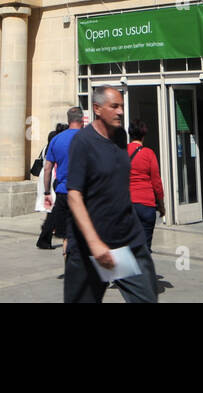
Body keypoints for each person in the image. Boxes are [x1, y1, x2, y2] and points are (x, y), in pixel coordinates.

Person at [64, 86, 157, 304]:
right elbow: (74, 195)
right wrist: (95, 243)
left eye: (122, 106)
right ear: (97, 108)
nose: (120, 112)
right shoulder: (83, 142)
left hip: (127, 243)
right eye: (114, 106)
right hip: (91, 249)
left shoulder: (120, 136)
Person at [36, 107, 83, 249]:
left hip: (63, 191)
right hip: (83, 192)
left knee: (66, 234)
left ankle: (68, 259)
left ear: (69, 120)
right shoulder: (89, 137)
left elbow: (47, 168)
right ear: (82, 119)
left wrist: (46, 192)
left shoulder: (56, 139)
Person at [127, 120, 164, 250]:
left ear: (130, 133)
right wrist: (161, 204)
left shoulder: (122, 152)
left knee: (129, 246)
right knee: (145, 248)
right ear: (144, 134)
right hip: (146, 204)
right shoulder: (149, 153)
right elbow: (156, 182)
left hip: (128, 204)